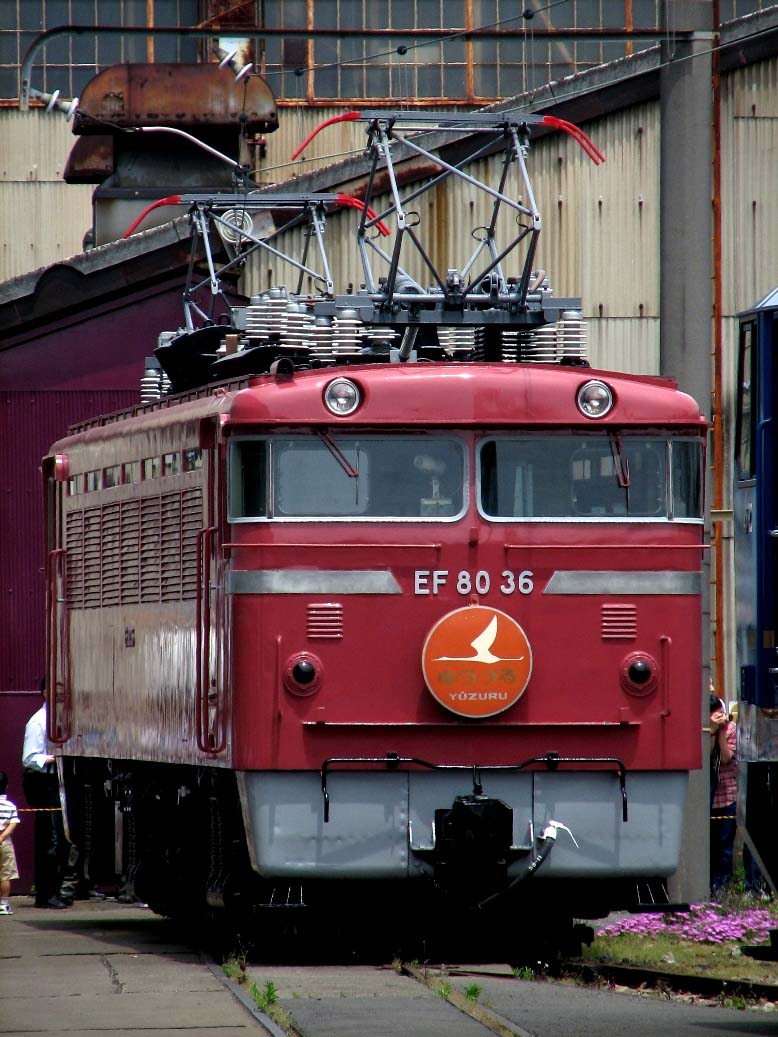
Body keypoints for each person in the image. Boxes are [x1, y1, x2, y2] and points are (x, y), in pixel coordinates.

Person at [22, 684, 70, 909]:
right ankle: (45, 894)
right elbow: (30, 758)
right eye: (56, 690)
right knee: (49, 839)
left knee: (61, 838)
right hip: (44, 784)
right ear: (45, 693)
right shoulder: (38, 721)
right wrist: (56, 757)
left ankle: (54, 891)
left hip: (56, 782)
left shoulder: (61, 719)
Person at [710, 692, 737, 896]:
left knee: (725, 848)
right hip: (710, 798)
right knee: (710, 845)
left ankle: (723, 889)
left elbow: (727, 757)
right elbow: (705, 755)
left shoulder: (731, 729)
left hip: (727, 795)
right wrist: (711, 731)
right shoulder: (704, 730)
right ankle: (709, 886)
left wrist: (720, 733)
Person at [0, 771, 20, 915]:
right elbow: (13, 824)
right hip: (4, 842)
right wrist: (2, 836)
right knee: (5, 875)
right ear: (6, 787)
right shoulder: (10, 806)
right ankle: (3, 905)